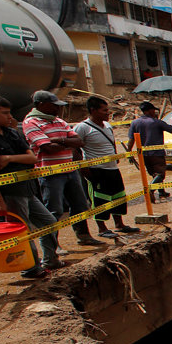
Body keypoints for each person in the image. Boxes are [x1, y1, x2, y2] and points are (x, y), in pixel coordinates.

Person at [0, 93, 60, 277]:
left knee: (48, 222)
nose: (9, 117)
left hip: (27, 189)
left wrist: (8, 158)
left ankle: (50, 259)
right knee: (23, 231)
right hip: (9, 193)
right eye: (4, 113)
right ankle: (32, 268)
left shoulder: (11, 133)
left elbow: (32, 157)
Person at [23, 90, 104, 246]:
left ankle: (83, 235)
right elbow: (48, 148)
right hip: (50, 172)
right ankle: (53, 246)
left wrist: (57, 139)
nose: (57, 109)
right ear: (41, 105)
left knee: (80, 205)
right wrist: (65, 141)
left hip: (70, 169)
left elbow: (79, 141)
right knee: (54, 210)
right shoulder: (31, 123)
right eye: (53, 106)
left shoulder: (59, 121)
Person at [73, 96, 139, 238]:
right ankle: (102, 228)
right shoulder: (83, 127)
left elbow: (111, 142)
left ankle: (119, 224)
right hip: (96, 170)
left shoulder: (108, 126)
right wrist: (82, 166)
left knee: (118, 195)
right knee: (99, 198)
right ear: (93, 110)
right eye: (104, 110)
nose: (108, 113)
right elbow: (74, 148)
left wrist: (114, 155)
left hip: (112, 168)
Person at [125, 101, 172, 202]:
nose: (155, 112)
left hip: (144, 154)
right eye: (154, 110)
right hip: (157, 153)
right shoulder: (156, 122)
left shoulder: (135, 122)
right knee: (160, 174)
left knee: (154, 173)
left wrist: (129, 152)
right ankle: (150, 190)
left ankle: (162, 192)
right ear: (149, 111)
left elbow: (131, 139)